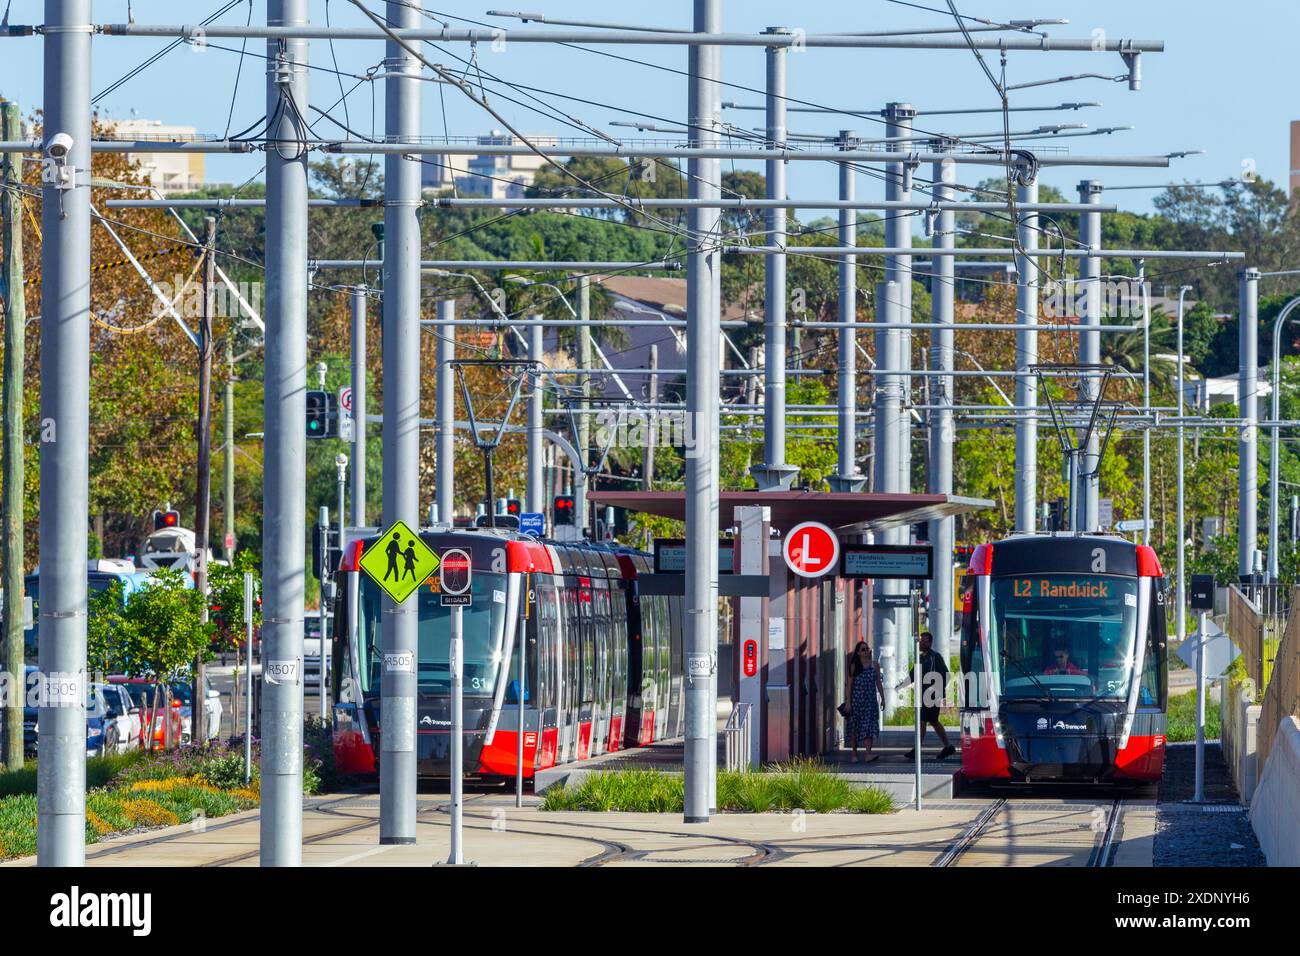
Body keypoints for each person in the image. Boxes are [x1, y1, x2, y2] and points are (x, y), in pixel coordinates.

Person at [903, 631, 955, 760]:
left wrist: (937, 691)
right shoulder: (921, 659)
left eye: (925, 641)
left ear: (930, 643)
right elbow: (913, 675)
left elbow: (946, 675)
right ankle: (948, 746)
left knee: (924, 721)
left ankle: (917, 750)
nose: (922, 643)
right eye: (921, 641)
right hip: (924, 696)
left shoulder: (935, 657)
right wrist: (900, 686)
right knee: (932, 721)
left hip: (932, 696)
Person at [844, 642, 885, 763]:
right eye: (863, 649)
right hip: (856, 700)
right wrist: (848, 702)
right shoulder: (854, 666)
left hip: (870, 701)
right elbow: (849, 685)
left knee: (869, 727)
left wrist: (883, 698)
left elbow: (878, 683)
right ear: (858, 653)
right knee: (854, 727)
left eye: (867, 649)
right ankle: (854, 754)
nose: (866, 651)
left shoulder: (875, 665)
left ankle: (868, 753)